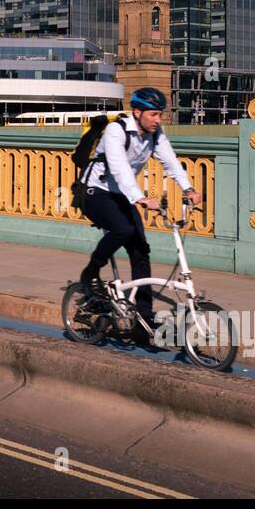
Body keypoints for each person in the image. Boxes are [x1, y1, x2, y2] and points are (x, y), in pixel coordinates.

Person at [77, 87, 198, 338]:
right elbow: (120, 168)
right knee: (123, 229)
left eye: (160, 115)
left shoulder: (155, 134)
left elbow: (171, 162)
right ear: (137, 112)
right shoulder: (116, 130)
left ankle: (144, 317)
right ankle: (91, 270)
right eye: (153, 114)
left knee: (141, 250)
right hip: (94, 191)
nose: (158, 120)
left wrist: (188, 188)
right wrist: (139, 197)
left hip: (122, 193)